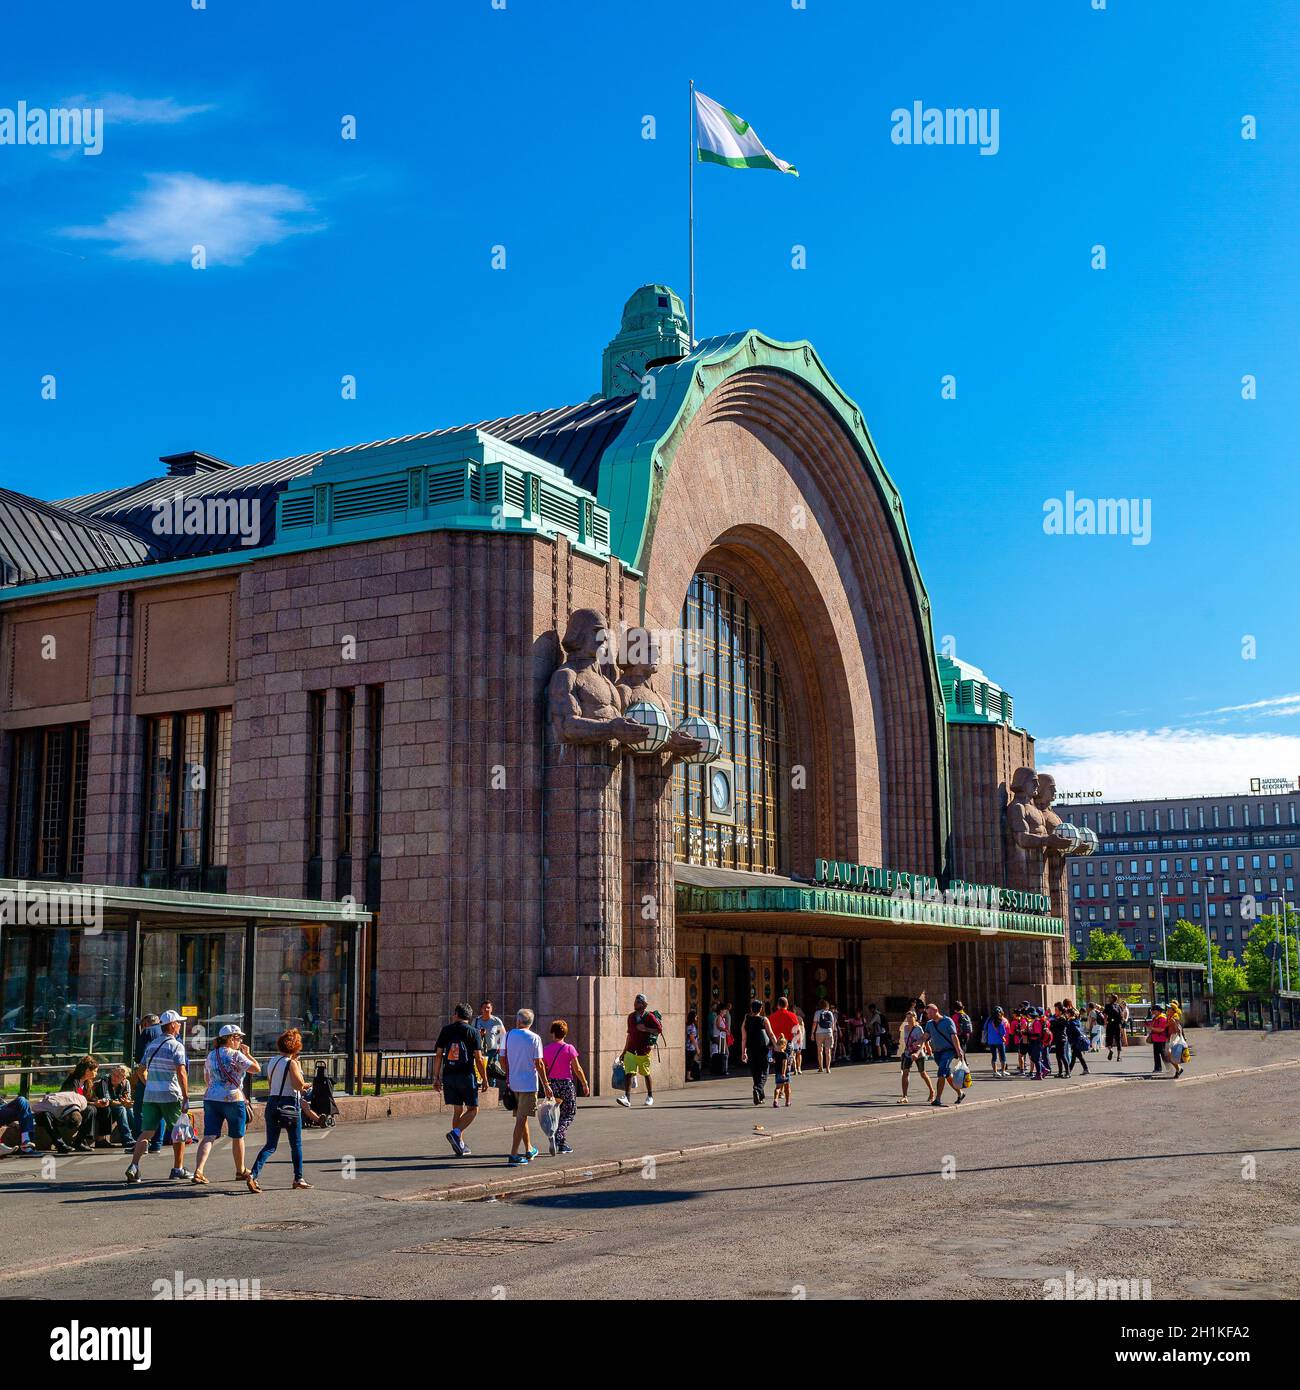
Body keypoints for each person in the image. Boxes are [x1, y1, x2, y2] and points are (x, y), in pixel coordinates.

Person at [125, 1009, 192, 1185]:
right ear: (172, 1025)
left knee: (146, 1132)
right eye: (178, 1023)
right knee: (178, 1133)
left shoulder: (152, 1044)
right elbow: (181, 1071)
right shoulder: (176, 1045)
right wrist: (186, 1096)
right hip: (170, 1094)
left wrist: (149, 1084)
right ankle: (178, 1169)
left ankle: (134, 1166)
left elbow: (140, 1069)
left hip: (151, 1095)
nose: (180, 1026)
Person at [192, 1024, 261, 1184]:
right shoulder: (236, 1055)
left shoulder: (211, 1055)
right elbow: (256, 1069)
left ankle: (199, 1170)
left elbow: (207, 1079)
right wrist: (248, 1054)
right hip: (232, 1099)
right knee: (238, 1136)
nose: (241, 1041)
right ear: (231, 1039)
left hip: (211, 1098)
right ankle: (240, 1170)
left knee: (209, 1135)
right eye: (239, 1038)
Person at [248, 1028, 311, 1191]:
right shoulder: (292, 1063)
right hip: (289, 1104)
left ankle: (253, 1175)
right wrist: (306, 1085)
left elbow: (271, 1084)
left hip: (272, 1103)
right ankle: (299, 1178)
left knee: (270, 1145)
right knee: (296, 1144)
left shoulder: (273, 1061)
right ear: (296, 1047)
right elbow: (298, 1085)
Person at [434, 1002, 486, 1156]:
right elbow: (478, 1057)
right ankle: (456, 1133)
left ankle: (459, 1144)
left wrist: (436, 1077)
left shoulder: (446, 1030)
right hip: (466, 1076)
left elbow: (438, 1055)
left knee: (458, 1109)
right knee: (473, 1109)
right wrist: (485, 1078)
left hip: (449, 1076)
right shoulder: (473, 1032)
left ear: (456, 1014)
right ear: (469, 1016)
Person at [505, 1008, 553, 1164]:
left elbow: (501, 1059)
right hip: (528, 1084)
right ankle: (513, 1154)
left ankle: (529, 1149)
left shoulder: (508, 1035)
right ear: (530, 1023)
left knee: (521, 1117)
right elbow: (539, 1063)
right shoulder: (535, 1038)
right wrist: (546, 1084)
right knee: (521, 1119)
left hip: (513, 1083)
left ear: (518, 1021)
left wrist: (510, 1073)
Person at [542, 1020, 588, 1154]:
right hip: (566, 1085)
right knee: (568, 1113)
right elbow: (577, 1068)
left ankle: (558, 1141)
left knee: (554, 1113)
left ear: (552, 1033)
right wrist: (584, 1083)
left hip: (552, 1084)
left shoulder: (546, 1049)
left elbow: (542, 1068)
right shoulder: (569, 1048)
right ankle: (559, 1138)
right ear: (565, 1033)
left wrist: (545, 1083)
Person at [617, 993, 662, 1108]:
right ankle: (627, 1098)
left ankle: (650, 1096)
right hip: (631, 1051)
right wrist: (624, 1051)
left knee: (646, 1074)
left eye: (638, 1002)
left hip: (644, 1051)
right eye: (635, 1001)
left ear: (643, 1005)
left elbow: (659, 1030)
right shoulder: (631, 1017)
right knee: (629, 1074)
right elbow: (629, 1035)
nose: (635, 1003)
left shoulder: (649, 1017)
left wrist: (646, 1029)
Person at [131, 1014, 167, 1153]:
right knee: (160, 1111)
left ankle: (142, 1143)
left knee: (139, 1110)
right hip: (163, 1077)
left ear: (146, 1023)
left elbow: (140, 1057)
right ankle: (157, 1144)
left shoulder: (147, 1032)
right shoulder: (166, 1033)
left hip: (146, 1076)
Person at [923, 1003, 966, 1106]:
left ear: (936, 1010)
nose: (928, 1015)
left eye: (929, 1013)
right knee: (946, 1074)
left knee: (941, 1072)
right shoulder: (929, 1024)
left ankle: (938, 1099)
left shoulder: (947, 1021)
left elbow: (954, 1037)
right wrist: (918, 1042)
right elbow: (925, 1036)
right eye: (927, 1013)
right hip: (937, 1052)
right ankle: (960, 1093)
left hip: (948, 1050)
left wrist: (959, 1050)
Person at [740, 999, 778, 1105]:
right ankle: (757, 1089)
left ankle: (760, 1095)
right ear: (761, 1009)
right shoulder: (763, 1019)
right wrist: (776, 1046)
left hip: (751, 1049)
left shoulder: (746, 1020)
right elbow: (771, 1034)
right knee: (765, 1072)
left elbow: (743, 1038)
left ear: (751, 1008)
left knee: (755, 1072)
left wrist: (743, 1052)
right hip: (763, 1049)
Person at [61, 1057, 103, 1151]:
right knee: (90, 1109)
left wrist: (99, 1102)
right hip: (69, 1109)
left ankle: (85, 1139)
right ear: (87, 1070)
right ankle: (79, 1141)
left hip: (80, 1107)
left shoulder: (87, 1082)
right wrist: (93, 1103)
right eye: (95, 1071)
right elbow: (73, 1100)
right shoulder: (73, 1081)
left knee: (102, 1109)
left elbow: (91, 1097)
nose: (96, 1073)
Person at [898, 1009, 935, 1104]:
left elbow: (923, 1041)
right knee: (905, 1073)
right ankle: (904, 1096)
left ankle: (932, 1091)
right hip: (908, 1053)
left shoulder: (918, 1029)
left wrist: (918, 1052)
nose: (909, 1019)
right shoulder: (905, 1028)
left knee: (922, 1073)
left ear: (915, 1018)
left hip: (918, 1053)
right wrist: (904, 1052)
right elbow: (906, 1042)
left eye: (911, 1017)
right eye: (907, 1018)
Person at [473, 1000, 506, 1087]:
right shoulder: (476, 1021)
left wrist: (500, 1047)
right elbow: (471, 1035)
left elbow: (503, 1035)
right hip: (479, 1051)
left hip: (492, 1051)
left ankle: (492, 1095)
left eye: (488, 1008)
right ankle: (480, 1094)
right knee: (479, 1073)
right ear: (481, 1009)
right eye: (484, 1008)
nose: (486, 1009)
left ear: (491, 1009)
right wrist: (479, 1034)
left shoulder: (496, 1020)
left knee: (492, 1073)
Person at [811, 998, 837, 1073]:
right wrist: (831, 1033)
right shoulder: (830, 1013)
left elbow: (814, 1024)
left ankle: (821, 1067)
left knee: (820, 1050)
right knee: (828, 1051)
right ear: (827, 1006)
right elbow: (832, 1024)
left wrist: (812, 1033)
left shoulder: (817, 1013)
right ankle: (828, 1068)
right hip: (828, 1032)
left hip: (819, 1033)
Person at [983, 1007, 1009, 1077]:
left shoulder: (989, 1020)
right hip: (999, 1041)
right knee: (1002, 1056)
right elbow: (1003, 1033)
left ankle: (995, 1072)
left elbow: (984, 1027)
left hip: (991, 1041)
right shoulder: (1000, 1021)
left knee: (994, 1056)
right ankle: (1003, 1071)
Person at [1064, 1008, 1090, 1076]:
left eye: (1067, 1013)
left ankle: (1069, 1071)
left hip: (1075, 1042)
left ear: (1069, 1014)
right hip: (1075, 1041)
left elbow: (1077, 1032)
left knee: (1074, 1057)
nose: (1066, 1015)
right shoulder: (1076, 1021)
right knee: (1078, 1056)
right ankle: (1085, 1069)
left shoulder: (1071, 1022)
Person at [1103, 993, 1128, 1061]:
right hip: (1117, 1025)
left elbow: (1105, 1015)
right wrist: (1120, 1025)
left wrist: (1105, 1023)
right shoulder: (1118, 1006)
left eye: (1110, 997)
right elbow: (1121, 1016)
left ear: (1112, 999)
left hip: (1110, 1024)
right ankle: (1118, 1057)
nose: (1109, 998)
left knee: (1109, 1039)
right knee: (1118, 1040)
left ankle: (1110, 1050)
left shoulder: (1108, 1006)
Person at [1148, 1004, 1171, 1076]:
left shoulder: (1162, 1018)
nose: (1152, 1012)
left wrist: (1152, 1028)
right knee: (1156, 1054)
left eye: (1153, 1010)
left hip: (1161, 1039)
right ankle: (1158, 1068)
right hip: (1156, 1039)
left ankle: (1169, 1067)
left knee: (1163, 1054)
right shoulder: (1156, 1018)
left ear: (1157, 1011)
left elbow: (1161, 1029)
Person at [772, 1035, 793, 1107]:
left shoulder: (775, 1054)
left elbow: (773, 1061)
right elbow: (784, 1064)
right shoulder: (785, 1055)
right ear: (784, 1045)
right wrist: (783, 1073)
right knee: (787, 1088)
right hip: (785, 1073)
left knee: (778, 1087)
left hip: (777, 1072)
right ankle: (787, 1102)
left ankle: (775, 1100)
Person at [1050, 1004, 1070, 1078]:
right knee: (1058, 1056)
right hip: (1058, 1039)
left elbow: (1055, 1026)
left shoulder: (1062, 1018)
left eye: (1056, 1010)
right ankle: (1060, 1072)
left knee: (1062, 1055)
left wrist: (1051, 1023)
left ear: (1061, 1011)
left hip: (1062, 1039)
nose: (1055, 1011)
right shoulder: (1057, 1018)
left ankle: (1068, 1072)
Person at [712, 1001, 731, 1075]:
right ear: (721, 1010)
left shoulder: (722, 1017)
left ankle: (723, 1068)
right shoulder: (719, 1017)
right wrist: (725, 1030)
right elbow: (718, 1026)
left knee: (724, 1052)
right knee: (726, 1052)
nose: (726, 1011)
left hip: (721, 1036)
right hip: (718, 1036)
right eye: (725, 1009)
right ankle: (724, 1069)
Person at [1167, 1014, 1188, 1078]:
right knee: (1169, 1056)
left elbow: (1178, 1031)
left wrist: (1174, 1023)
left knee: (1170, 1055)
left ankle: (1178, 1069)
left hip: (1175, 1042)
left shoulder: (1177, 1024)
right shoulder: (1170, 1021)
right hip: (1171, 1040)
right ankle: (1178, 1069)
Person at [1011, 1009, 1030, 1074]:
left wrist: (1018, 1031)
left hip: (1022, 1039)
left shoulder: (1018, 1021)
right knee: (1027, 1055)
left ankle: (1022, 1069)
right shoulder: (1026, 1020)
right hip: (1027, 1039)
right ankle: (1027, 1068)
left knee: (1021, 1054)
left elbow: (1012, 1032)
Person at [684, 1010, 701, 1082]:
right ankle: (688, 1076)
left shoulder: (688, 1025)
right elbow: (692, 1038)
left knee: (690, 1061)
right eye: (696, 1016)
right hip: (690, 1047)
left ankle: (690, 1075)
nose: (697, 1017)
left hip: (689, 1046)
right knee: (690, 1062)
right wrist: (697, 1048)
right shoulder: (691, 1026)